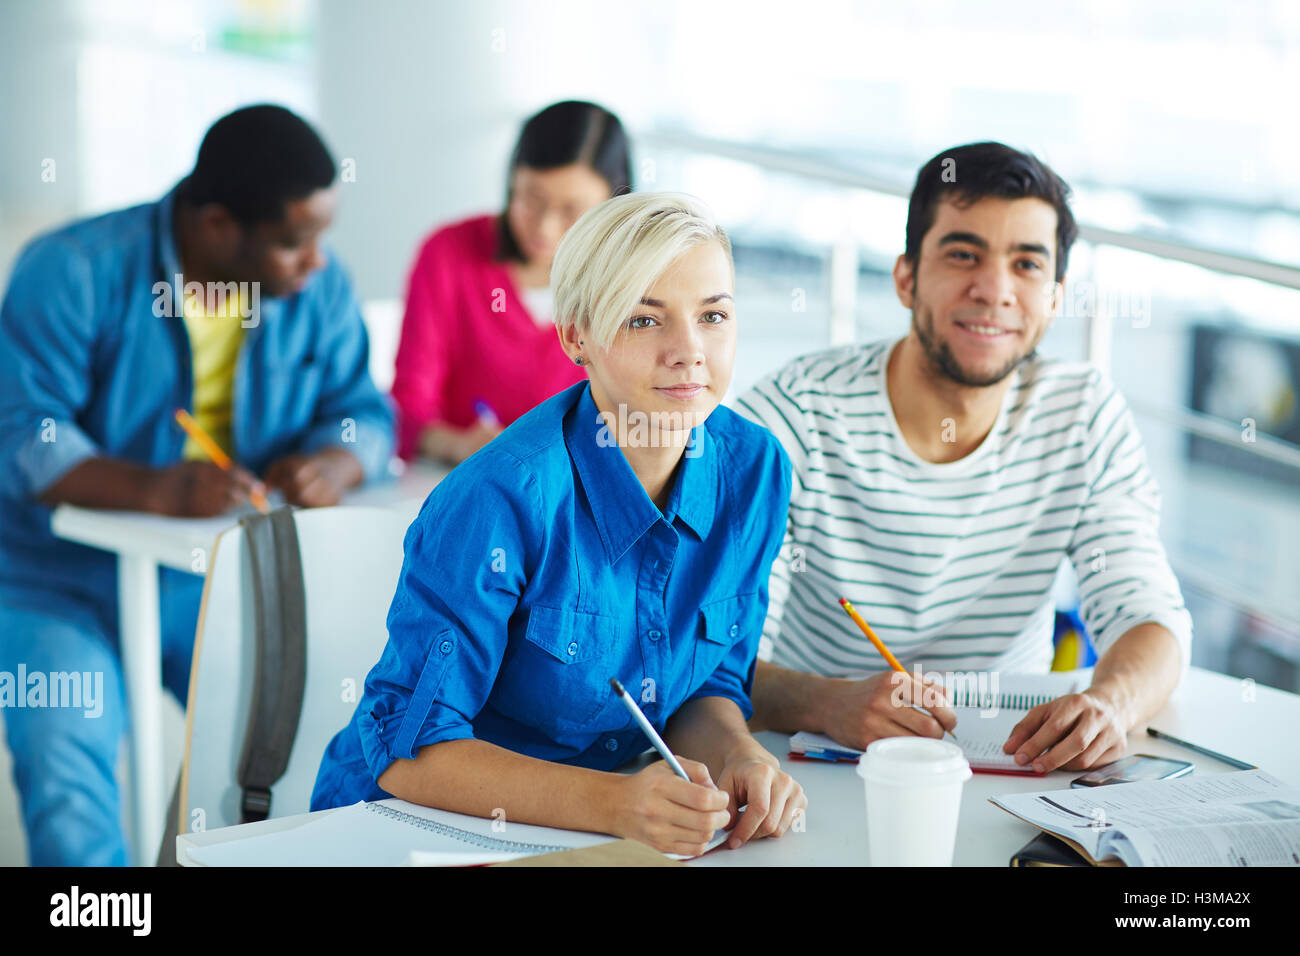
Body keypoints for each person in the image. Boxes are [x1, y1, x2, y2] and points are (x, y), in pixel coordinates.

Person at [313, 192, 806, 857]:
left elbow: (709, 682)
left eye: (713, 315)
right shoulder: (500, 497)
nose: (690, 352)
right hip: (409, 834)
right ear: (577, 336)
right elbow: (409, 748)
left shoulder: (755, 471)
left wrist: (740, 757)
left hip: (587, 839)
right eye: (643, 319)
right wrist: (617, 803)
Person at [0, 104, 395, 865]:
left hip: (211, 582)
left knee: (296, 746)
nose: (316, 261)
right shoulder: (71, 269)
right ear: (217, 226)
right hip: (56, 583)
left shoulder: (316, 282)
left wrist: (335, 462)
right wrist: (158, 491)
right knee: (67, 765)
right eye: (292, 241)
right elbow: (22, 435)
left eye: (320, 236)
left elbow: (366, 413)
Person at [737, 142, 1192, 774]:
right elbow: (716, 653)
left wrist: (1110, 705)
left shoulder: (1084, 416)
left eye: (1027, 264)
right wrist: (825, 702)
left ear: (1056, 296)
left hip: (1019, 768)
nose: (994, 290)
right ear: (905, 276)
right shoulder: (795, 416)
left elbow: (1150, 618)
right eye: (962, 254)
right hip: (822, 766)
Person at [391, 100, 631, 465]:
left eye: (571, 210)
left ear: (613, 207)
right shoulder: (447, 255)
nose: (545, 227)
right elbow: (408, 406)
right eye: (530, 198)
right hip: (460, 482)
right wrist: (455, 444)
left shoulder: (634, 284)